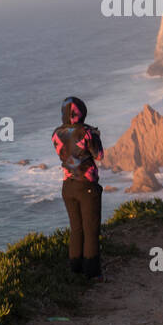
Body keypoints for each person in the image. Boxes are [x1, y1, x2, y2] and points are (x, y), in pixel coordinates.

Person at [52, 97, 104, 281]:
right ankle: (92, 273)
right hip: (87, 185)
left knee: (76, 229)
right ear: (82, 112)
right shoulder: (87, 132)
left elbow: (67, 153)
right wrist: (96, 136)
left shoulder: (56, 133)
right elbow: (98, 155)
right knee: (91, 230)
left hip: (68, 187)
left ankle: (75, 270)